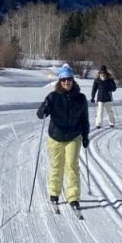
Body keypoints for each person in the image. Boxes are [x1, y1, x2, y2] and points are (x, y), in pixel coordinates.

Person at [36, 63, 91, 212]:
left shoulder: (80, 98)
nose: (67, 82)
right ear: (60, 81)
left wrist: (85, 136)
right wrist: (44, 107)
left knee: (71, 165)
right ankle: (54, 193)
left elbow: (84, 119)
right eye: (63, 79)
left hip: (73, 136)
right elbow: (40, 115)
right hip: (56, 136)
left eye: (69, 79)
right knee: (57, 166)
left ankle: (73, 197)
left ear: (73, 80)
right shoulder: (53, 97)